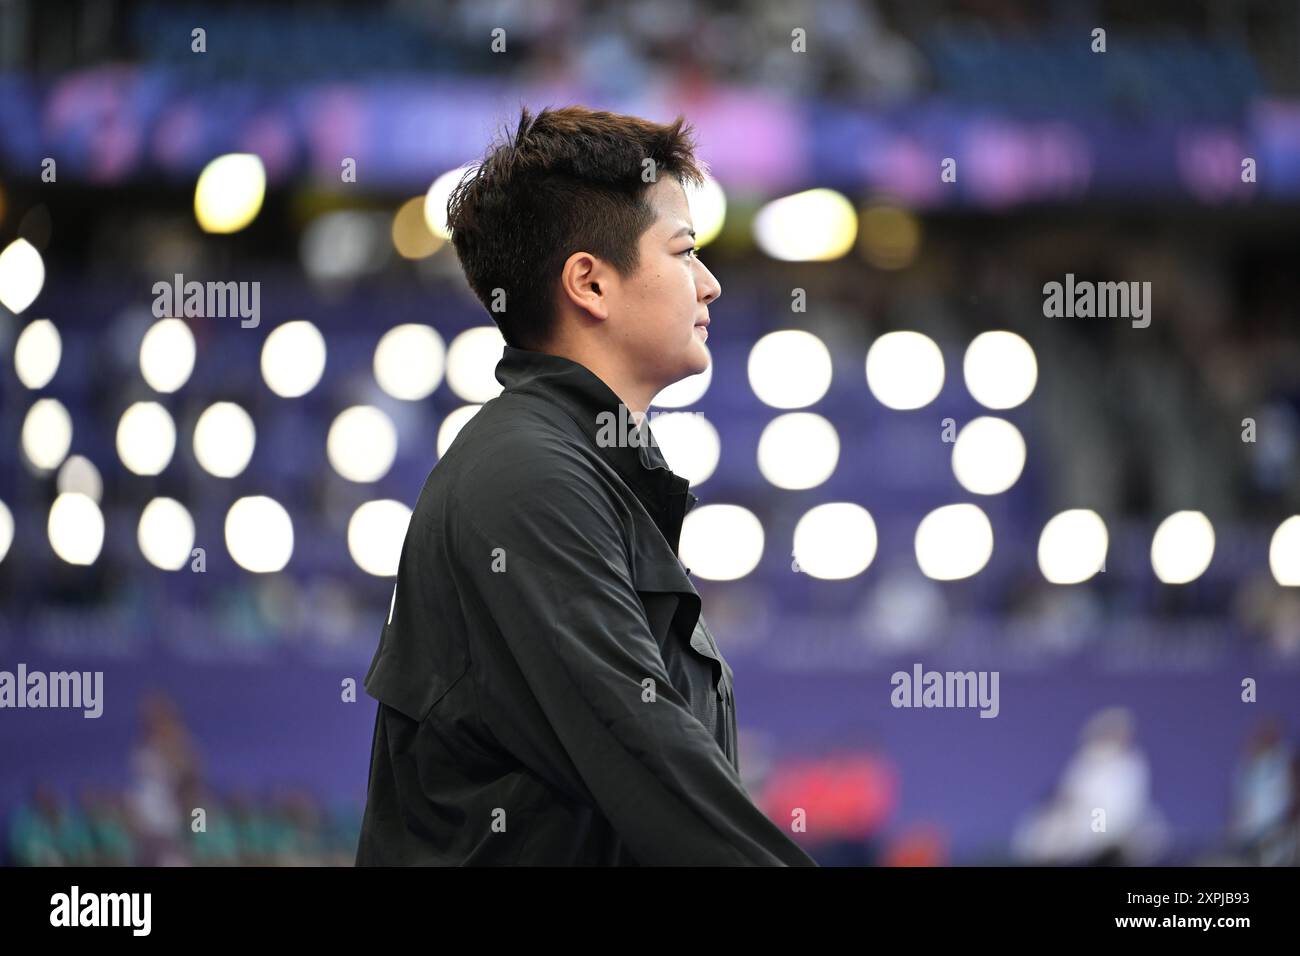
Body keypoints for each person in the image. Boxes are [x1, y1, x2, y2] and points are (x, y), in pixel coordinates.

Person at [355, 105, 816, 865]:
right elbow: (647, 756)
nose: (710, 285)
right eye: (684, 251)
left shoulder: (576, 465)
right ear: (590, 283)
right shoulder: (525, 477)